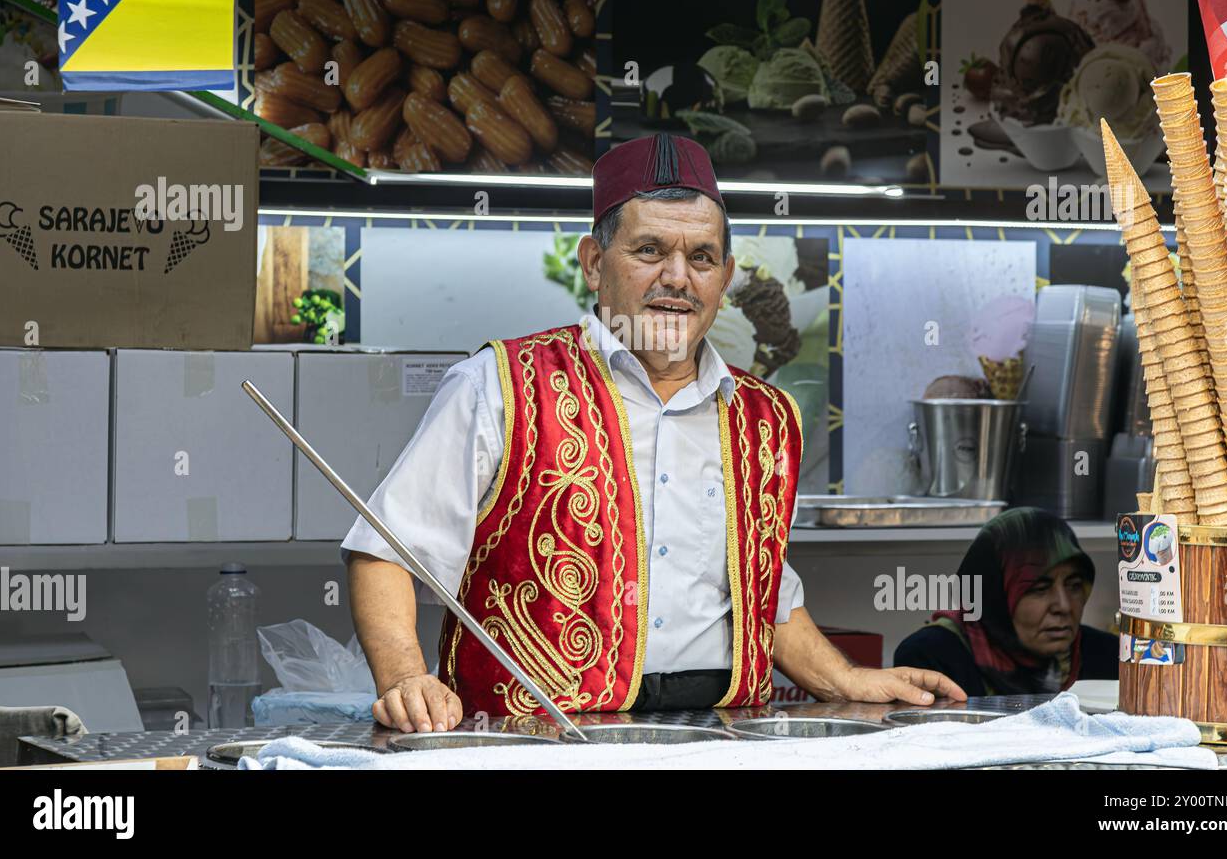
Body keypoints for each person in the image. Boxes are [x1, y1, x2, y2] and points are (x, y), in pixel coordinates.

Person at [343, 132, 965, 732]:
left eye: (701, 257)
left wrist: (844, 679)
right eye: (649, 251)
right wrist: (403, 678)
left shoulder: (765, 416)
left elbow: (764, 600)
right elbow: (388, 548)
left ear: (723, 276)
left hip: (721, 734)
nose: (677, 277)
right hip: (541, 737)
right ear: (593, 263)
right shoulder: (501, 385)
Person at [893, 507, 1118, 696]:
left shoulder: (1108, 657)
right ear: (995, 597)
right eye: (1039, 589)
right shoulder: (933, 659)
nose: (1064, 606)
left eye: (1074, 586)